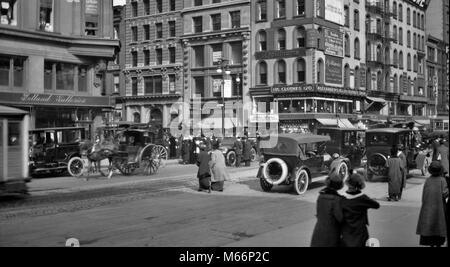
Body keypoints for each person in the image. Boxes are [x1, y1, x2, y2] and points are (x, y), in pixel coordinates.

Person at [341, 173, 380, 247]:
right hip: (360, 231)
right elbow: (376, 205)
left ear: (348, 183)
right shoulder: (363, 198)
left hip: (346, 231)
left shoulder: (342, 198)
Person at [416, 161, 449, 247]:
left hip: (428, 208)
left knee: (429, 226)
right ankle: (438, 244)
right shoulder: (442, 180)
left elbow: (424, 195)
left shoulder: (428, 180)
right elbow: (445, 194)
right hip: (439, 208)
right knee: (439, 225)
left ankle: (431, 244)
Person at [310, 173, 344, 247]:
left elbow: (318, 214)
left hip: (318, 231)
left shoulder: (320, 196)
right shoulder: (337, 199)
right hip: (331, 234)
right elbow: (340, 218)